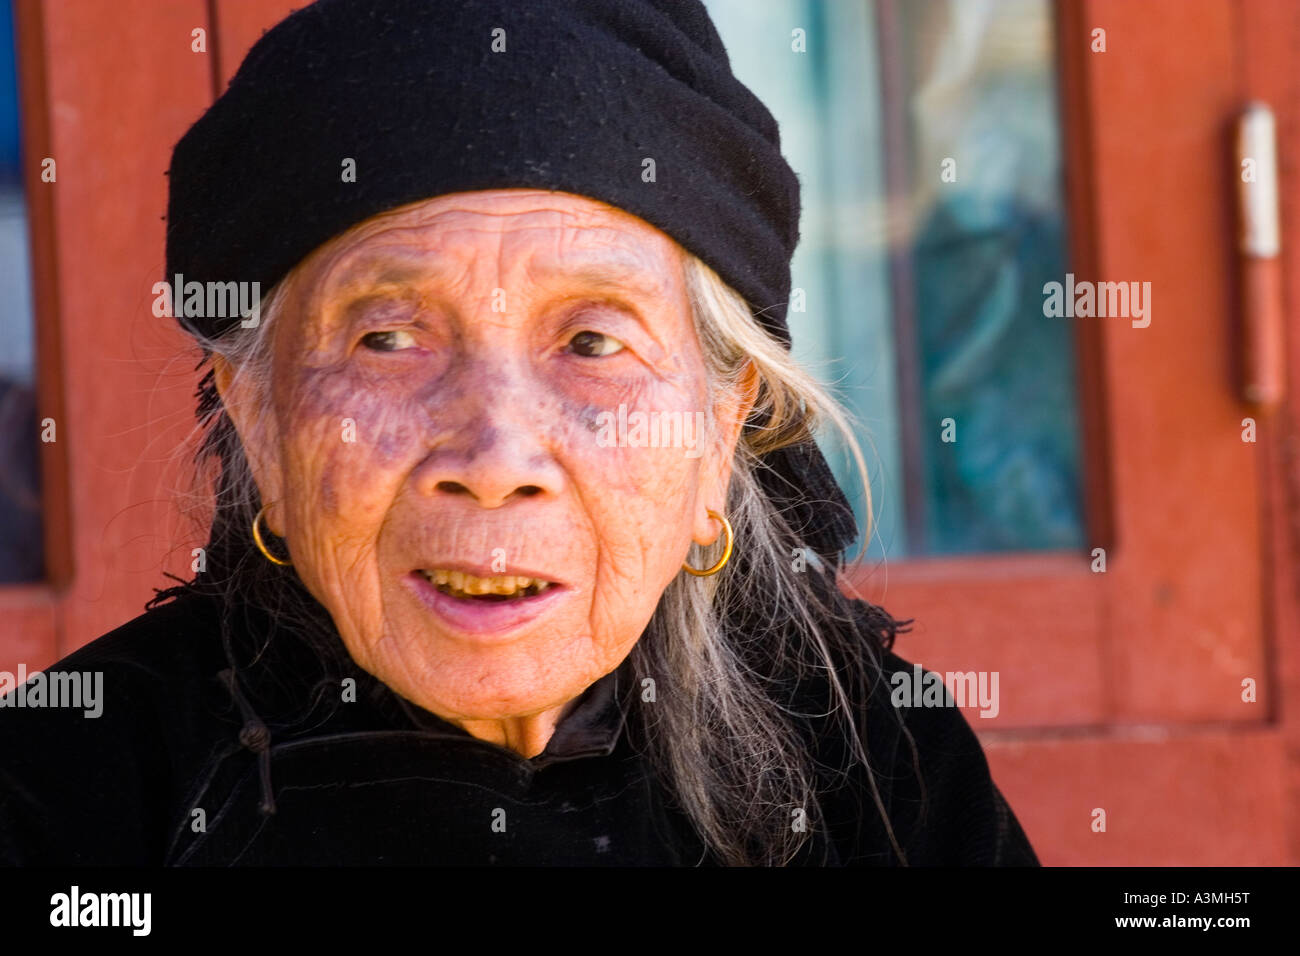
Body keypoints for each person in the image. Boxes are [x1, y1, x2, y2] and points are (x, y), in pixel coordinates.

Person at [0, 0, 1037, 866]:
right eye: (390, 336)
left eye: (591, 341)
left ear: (719, 430)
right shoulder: (74, 788)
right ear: (259, 417)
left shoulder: (866, 753)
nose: (495, 460)